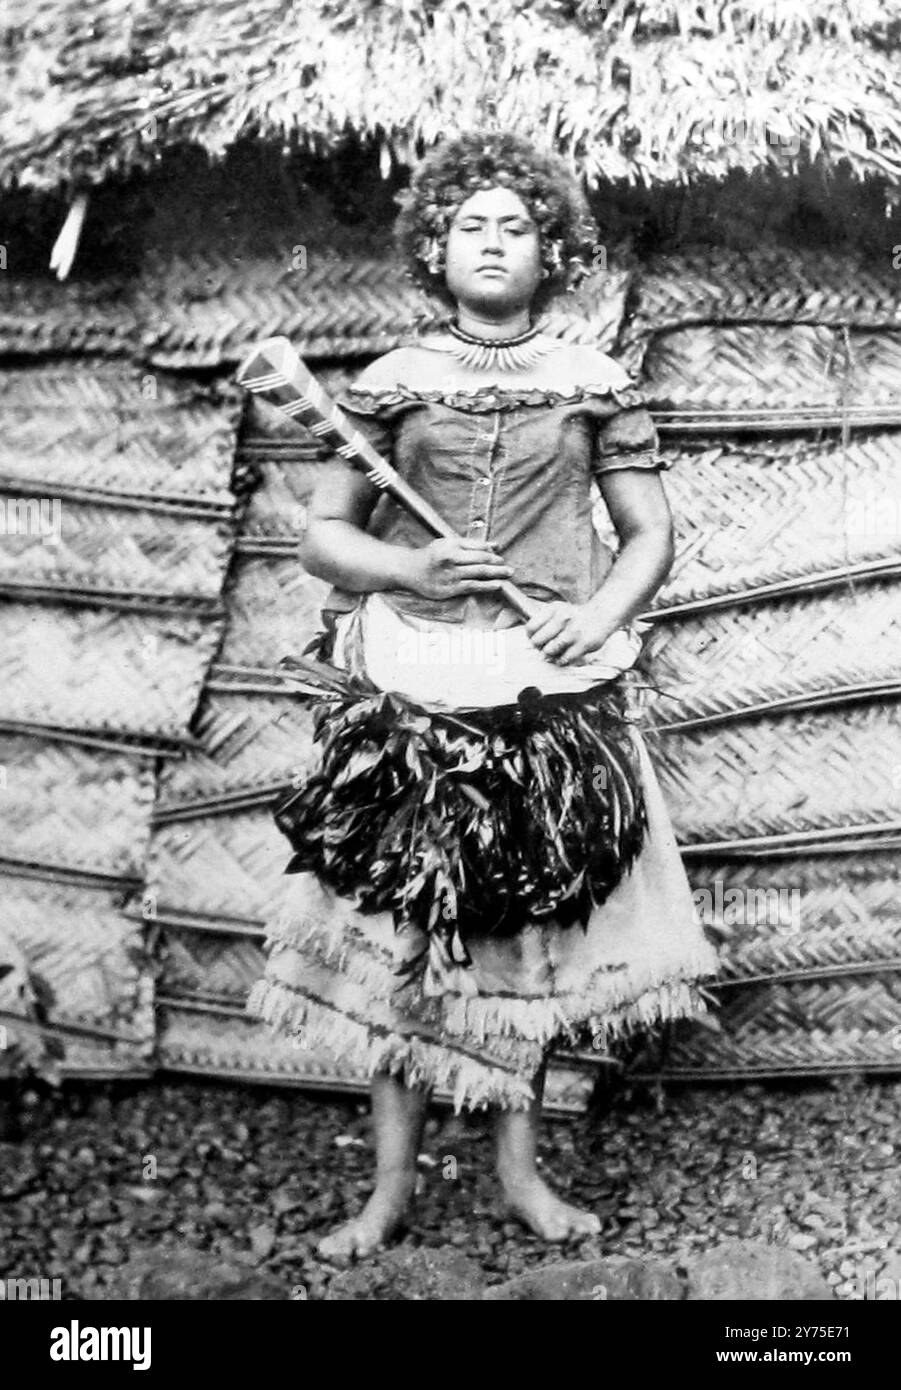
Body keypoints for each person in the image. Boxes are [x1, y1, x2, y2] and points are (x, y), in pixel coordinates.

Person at [247, 131, 718, 1258]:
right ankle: (388, 1191)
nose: (494, 243)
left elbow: (649, 532)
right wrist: (410, 570)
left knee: (527, 932)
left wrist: (592, 616)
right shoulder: (394, 382)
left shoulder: (594, 384)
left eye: (517, 226)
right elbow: (322, 536)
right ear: (433, 250)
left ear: (552, 251)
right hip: (416, 682)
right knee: (403, 933)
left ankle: (520, 1175)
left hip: (543, 689)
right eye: (472, 226)